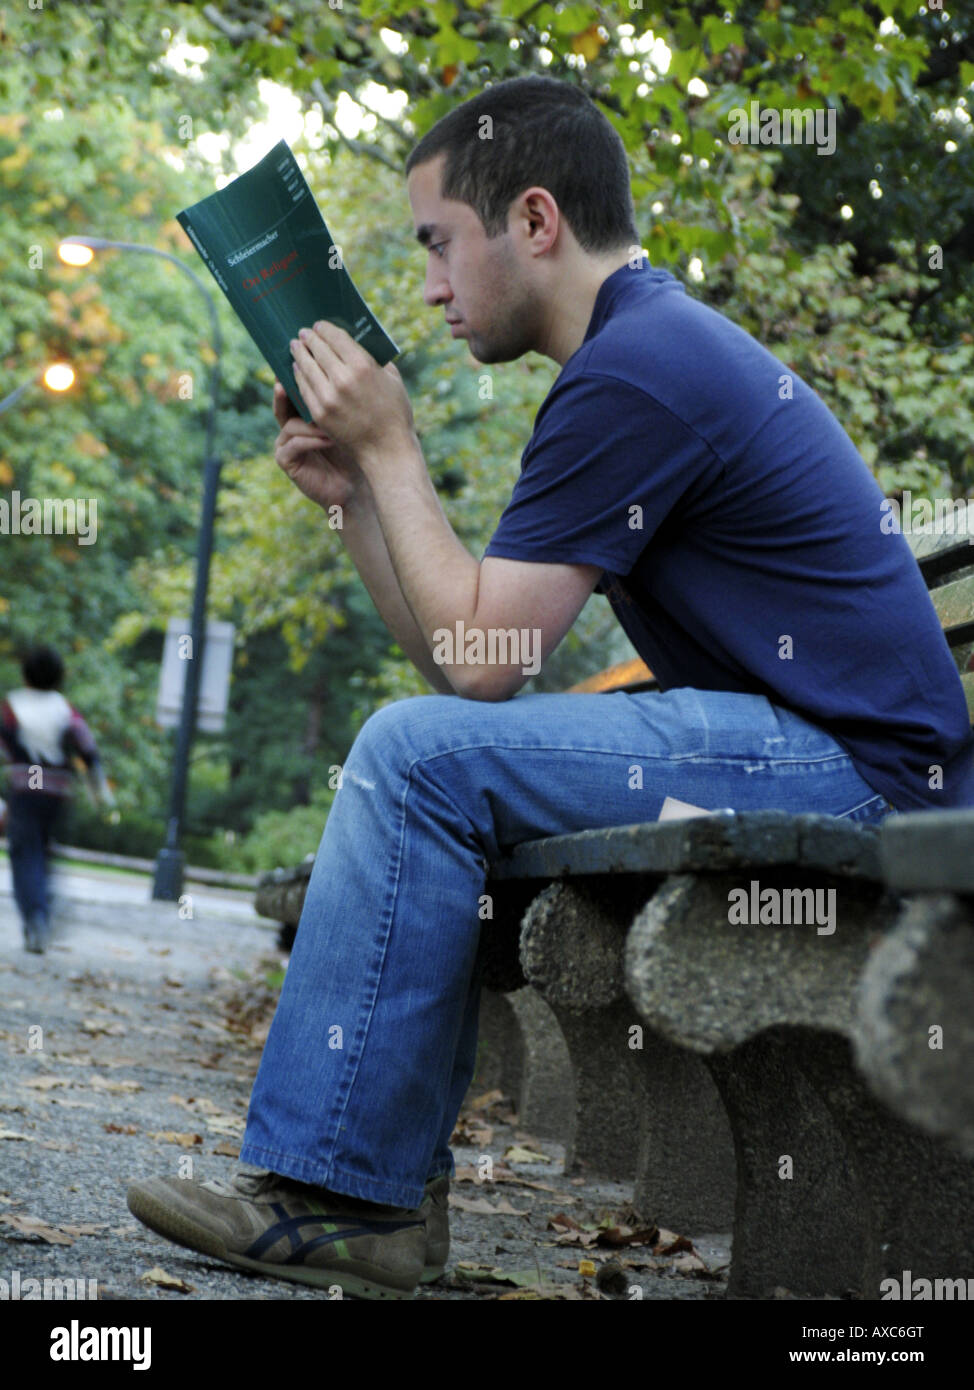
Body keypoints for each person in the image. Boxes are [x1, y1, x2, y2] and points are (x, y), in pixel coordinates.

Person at [127, 75, 974, 1299]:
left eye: (434, 244)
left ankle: (342, 1197)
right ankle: (363, 1196)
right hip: (829, 750)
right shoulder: (636, 352)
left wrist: (394, 447)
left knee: (414, 755)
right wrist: (362, 495)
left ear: (531, 222)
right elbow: (458, 666)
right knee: (419, 752)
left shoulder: (637, 370)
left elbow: (473, 674)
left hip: (862, 773)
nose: (425, 287)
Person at [1, 645, 114, 953]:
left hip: (26, 790)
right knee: (45, 853)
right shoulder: (66, 710)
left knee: (26, 855)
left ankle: (35, 916)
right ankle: (43, 912)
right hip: (57, 794)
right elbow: (88, 751)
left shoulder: (13, 707)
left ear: (26, 675)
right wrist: (100, 794)